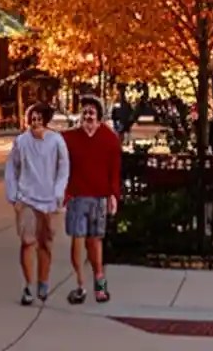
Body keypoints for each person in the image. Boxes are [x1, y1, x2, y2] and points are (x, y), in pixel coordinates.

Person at [4, 102, 69, 306]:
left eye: (40, 118)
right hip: (26, 199)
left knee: (45, 244)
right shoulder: (21, 141)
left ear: (46, 120)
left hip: (49, 201)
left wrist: (59, 192)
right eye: (33, 118)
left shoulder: (56, 141)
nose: (36, 122)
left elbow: (63, 168)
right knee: (27, 242)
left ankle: (43, 281)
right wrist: (13, 196)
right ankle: (28, 286)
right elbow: (11, 169)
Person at [62, 95, 122, 304]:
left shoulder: (109, 139)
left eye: (91, 112)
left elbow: (114, 170)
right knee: (77, 241)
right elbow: (58, 164)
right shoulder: (69, 138)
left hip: (98, 199)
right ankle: (80, 285)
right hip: (77, 198)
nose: (87, 116)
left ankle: (100, 284)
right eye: (84, 112)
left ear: (99, 116)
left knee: (95, 242)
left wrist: (114, 195)